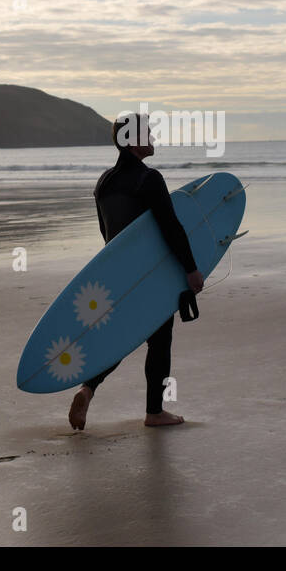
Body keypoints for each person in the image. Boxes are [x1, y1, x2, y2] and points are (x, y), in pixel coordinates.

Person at [68, 113, 205, 430]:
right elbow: (171, 228)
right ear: (133, 141)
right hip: (151, 275)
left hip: (118, 273)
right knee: (159, 341)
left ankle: (88, 389)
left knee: (122, 336)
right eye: (147, 133)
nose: (153, 138)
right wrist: (191, 269)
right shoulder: (149, 179)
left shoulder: (104, 182)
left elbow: (107, 234)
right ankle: (154, 412)